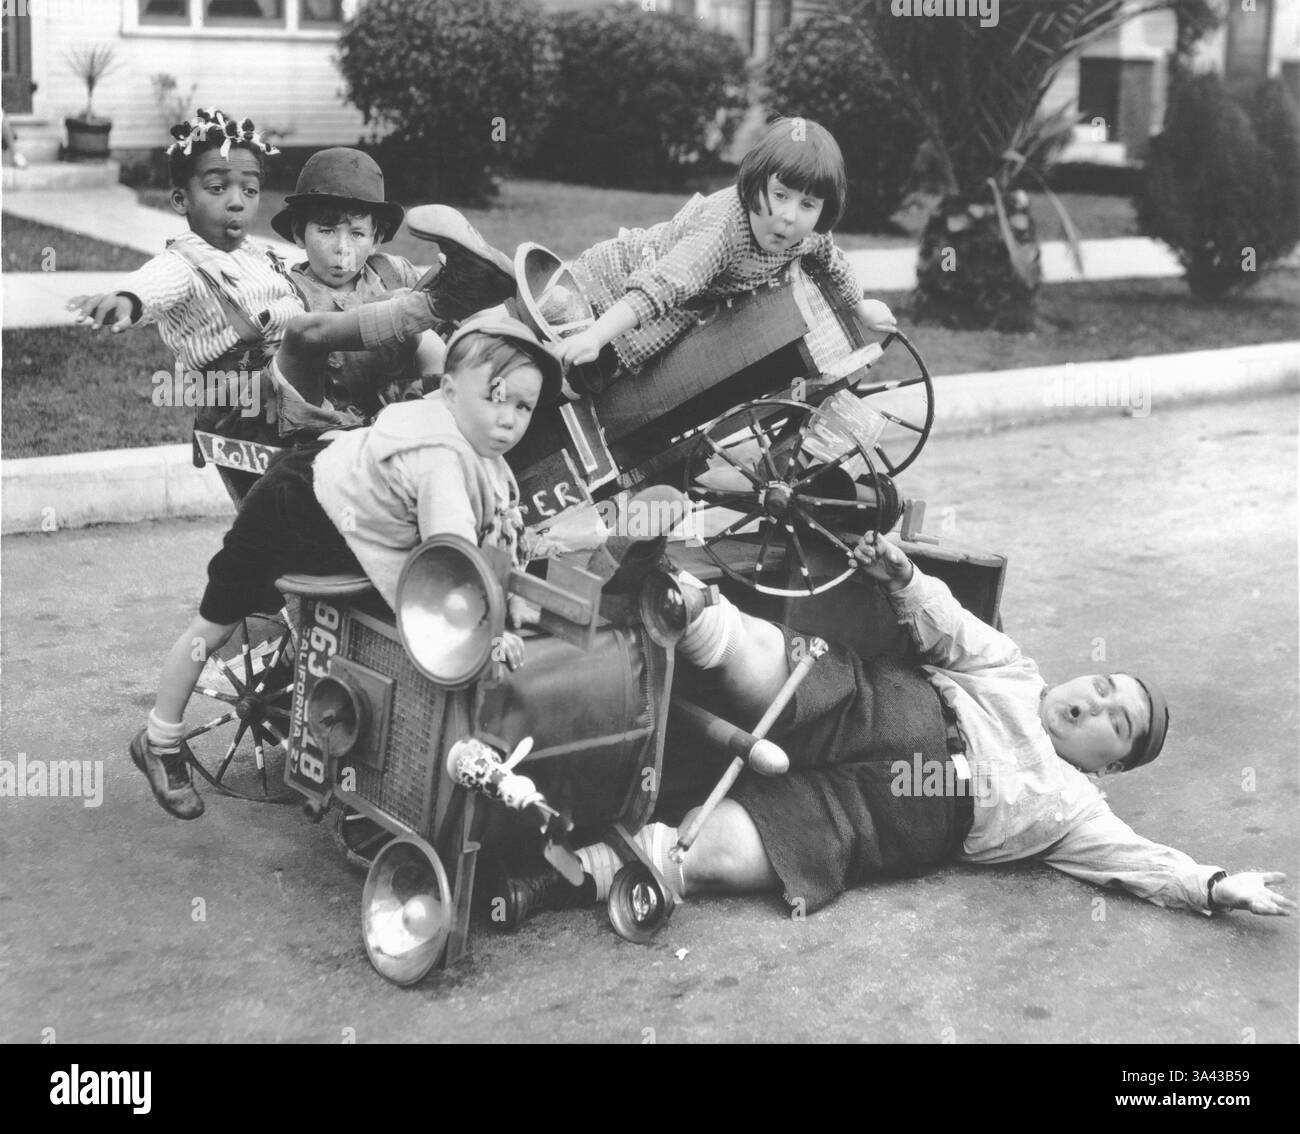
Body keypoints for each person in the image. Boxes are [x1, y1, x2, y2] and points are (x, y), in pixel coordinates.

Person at [497, 534, 1295, 923]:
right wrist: (906, 577)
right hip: (874, 704)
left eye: (1113, 724)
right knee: (790, 667)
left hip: (881, 819)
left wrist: (1218, 885)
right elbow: (946, 628)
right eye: (1102, 686)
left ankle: (576, 875)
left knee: (727, 853)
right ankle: (694, 612)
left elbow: (1146, 864)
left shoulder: (1074, 811)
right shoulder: (1014, 669)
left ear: (1108, 767)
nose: (1092, 704)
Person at [128, 315, 564, 821]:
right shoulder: (441, 458)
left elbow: (485, 536)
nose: (508, 418)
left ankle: (358, 753)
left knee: (377, 622)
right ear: (448, 391)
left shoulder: (476, 447)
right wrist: (490, 626)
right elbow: (453, 561)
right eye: (495, 397)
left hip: (333, 501)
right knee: (215, 621)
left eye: (523, 406)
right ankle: (159, 741)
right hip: (290, 503)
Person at [554, 116, 897, 392]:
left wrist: (858, 304)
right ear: (754, 180)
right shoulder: (724, 229)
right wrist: (595, 335)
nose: (789, 216)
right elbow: (664, 285)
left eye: (807, 204)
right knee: (566, 373)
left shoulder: (807, 235)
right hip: (609, 290)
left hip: (665, 319)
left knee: (603, 389)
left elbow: (833, 262)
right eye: (780, 194)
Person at [66, 109, 304, 493]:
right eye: (217, 188)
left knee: (295, 507)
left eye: (249, 189)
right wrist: (128, 301)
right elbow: (155, 284)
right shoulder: (185, 262)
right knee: (269, 511)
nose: (237, 202)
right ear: (181, 199)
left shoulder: (257, 254)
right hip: (243, 408)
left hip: (288, 393)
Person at [268, 146, 445, 421]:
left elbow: (446, 328)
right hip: (329, 424)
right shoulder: (288, 293)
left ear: (376, 239)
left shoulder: (391, 272)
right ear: (299, 234)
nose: (343, 249)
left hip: (412, 412)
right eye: (327, 231)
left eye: (357, 234)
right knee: (415, 329)